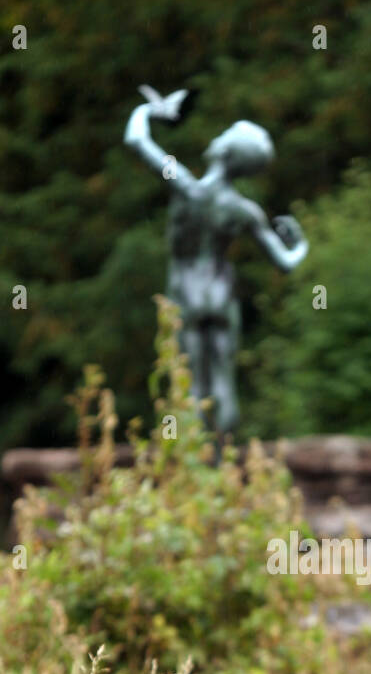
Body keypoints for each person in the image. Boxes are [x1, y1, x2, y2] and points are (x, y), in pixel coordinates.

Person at [124, 86, 308, 433]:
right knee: (223, 383)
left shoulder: (185, 186)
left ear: (224, 150)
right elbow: (286, 262)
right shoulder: (245, 211)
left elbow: (135, 140)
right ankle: (224, 460)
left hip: (186, 292)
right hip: (221, 295)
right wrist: (299, 243)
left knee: (190, 384)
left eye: (223, 135)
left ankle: (191, 463)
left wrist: (148, 111)